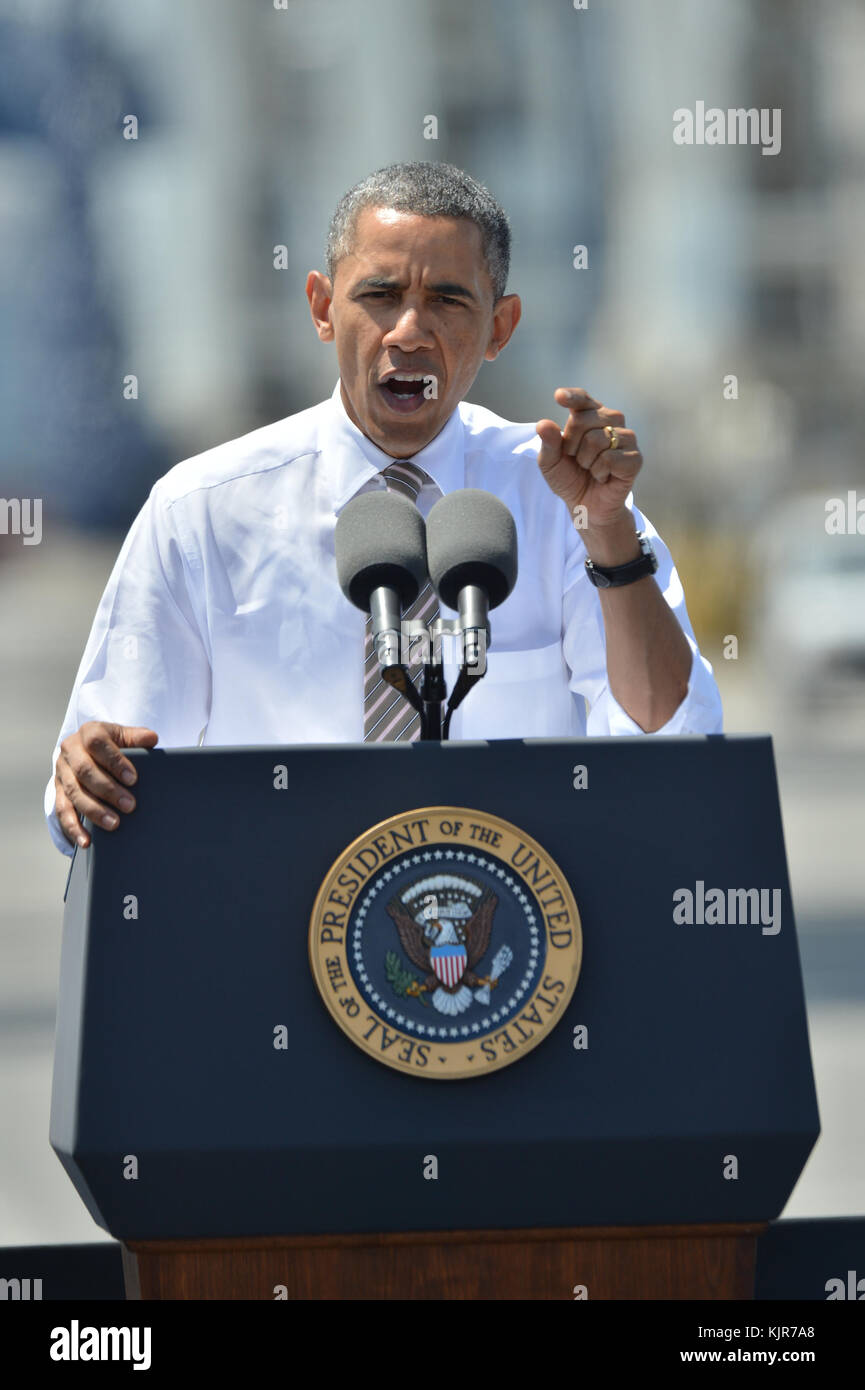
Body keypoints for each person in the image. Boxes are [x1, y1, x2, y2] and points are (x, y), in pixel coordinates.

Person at [45, 160, 722, 857]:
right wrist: (90, 775)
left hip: (521, 941)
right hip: (273, 939)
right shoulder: (201, 515)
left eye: (448, 301)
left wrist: (607, 529)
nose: (408, 331)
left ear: (500, 326)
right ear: (321, 308)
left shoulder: (563, 500)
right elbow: (106, 788)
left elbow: (673, 744)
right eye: (379, 294)